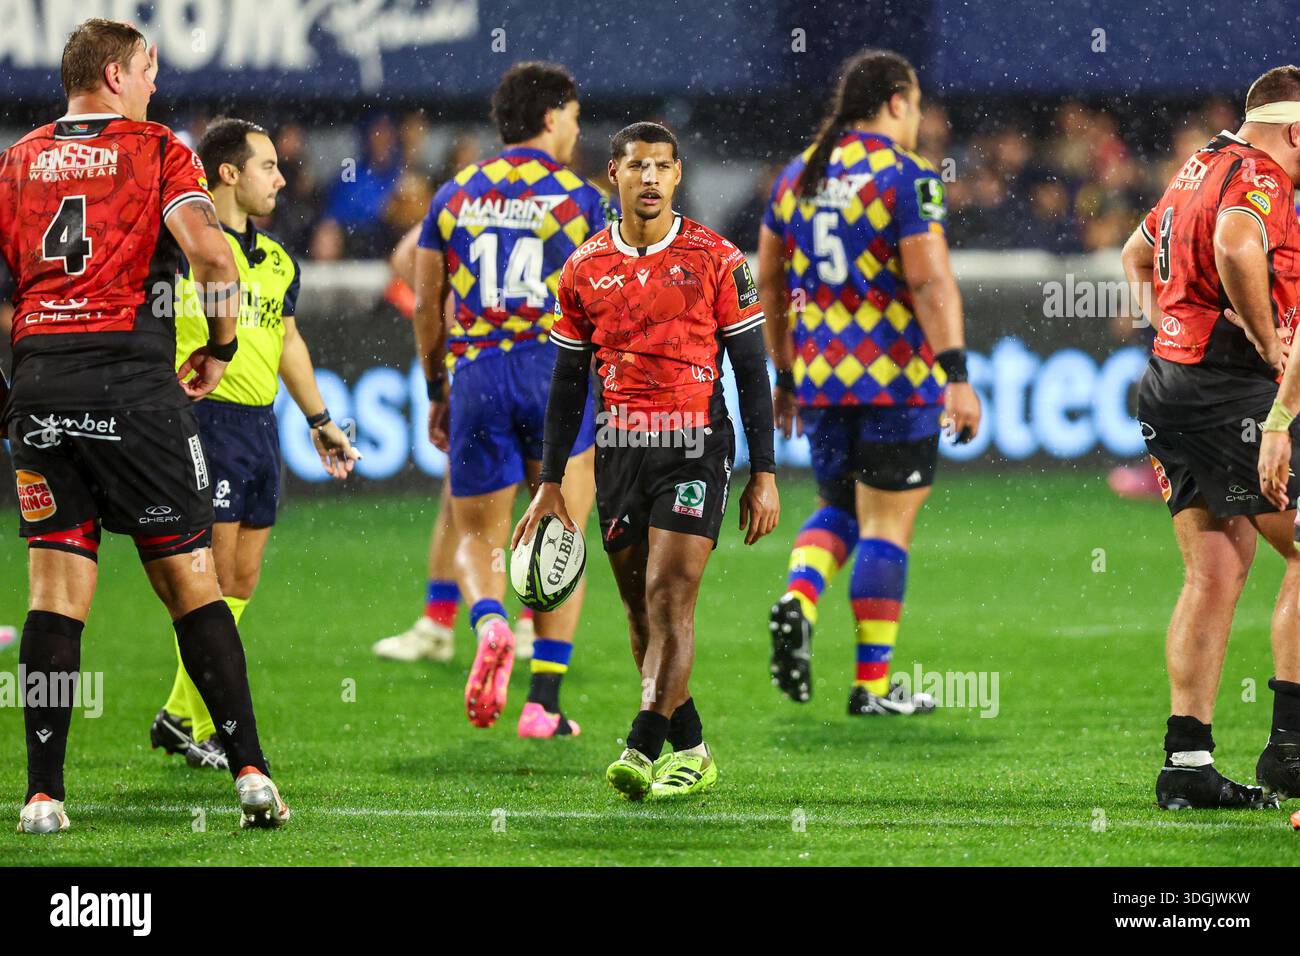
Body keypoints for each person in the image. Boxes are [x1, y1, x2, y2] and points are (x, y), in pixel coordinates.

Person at [0, 19, 288, 831]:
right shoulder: (158, 148)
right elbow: (214, 257)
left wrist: (12, 385)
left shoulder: (18, 159)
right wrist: (222, 347)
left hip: (44, 390)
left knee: (54, 596)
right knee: (194, 585)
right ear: (119, 73)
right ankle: (252, 777)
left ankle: (43, 796)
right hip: (134, 390)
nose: (155, 84)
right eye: (150, 70)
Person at [513, 121, 780, 800]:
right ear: (616, 176)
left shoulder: (719, 259)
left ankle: (641, 745)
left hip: (695, 447)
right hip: (620, 451)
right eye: (639, 166)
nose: (652, 178)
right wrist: (549, 486)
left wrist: (765, 472)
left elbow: (752, 372)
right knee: (639, 613)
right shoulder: (583, 268)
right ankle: (692, 748)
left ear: (678, 176)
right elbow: (567, 383)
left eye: (664, 166)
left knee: (671, 595)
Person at [760, 49, 981, 716]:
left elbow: (768, 278)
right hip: (896, 378)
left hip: (821, 377)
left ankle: (799, 597)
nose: (917, 120)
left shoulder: (798, 173)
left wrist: (785, 371)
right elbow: (928, 278)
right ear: (894, 102)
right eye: (914, 105)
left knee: (838, 509)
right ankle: (872, 687)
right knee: (886, 524)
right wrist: (958, 375)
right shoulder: (908, 176)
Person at [149, 117, 360, 770]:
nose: (281, 177)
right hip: (203, 422)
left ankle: (179, 715)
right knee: (206, 583)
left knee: (239, 580)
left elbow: (288, 342)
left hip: (260, 427)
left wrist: (320, 417)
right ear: (229, 174)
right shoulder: (184, 249)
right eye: (268, 165)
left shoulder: (277, 260)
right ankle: (200, 721)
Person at [1120, 65, 1300, 810]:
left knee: (1218, 568)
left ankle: (1186, 762)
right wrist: (1267, 347)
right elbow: (1234, 243)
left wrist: (1165, 323)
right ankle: (1290, 752)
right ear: (1296, 132)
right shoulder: (1261, 181)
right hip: (1234, 392)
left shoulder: (1199, 165)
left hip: (1172, 384)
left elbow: (1136, 254)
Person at [413, 62, 607, 736]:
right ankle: (543, 704)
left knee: (478, 535)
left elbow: (427, 304)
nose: (576, 130)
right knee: (560, 534)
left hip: (477, 371)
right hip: (553, 371)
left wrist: (438, 384)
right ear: (552, 116)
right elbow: (607, 300)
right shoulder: (580, 198)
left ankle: (490, 621)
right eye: (575, 118)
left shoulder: (455, 194)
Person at [372, 222, 537, 663]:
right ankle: (520, 627)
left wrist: (457, 300)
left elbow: (406, 255)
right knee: (541, 501)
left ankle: (458, 624)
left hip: (491, 368)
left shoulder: (472, 200)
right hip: (532, 366)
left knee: (479, 502)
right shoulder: (562, 201)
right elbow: (406, 257)